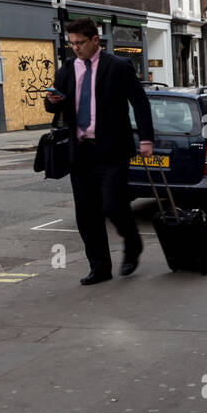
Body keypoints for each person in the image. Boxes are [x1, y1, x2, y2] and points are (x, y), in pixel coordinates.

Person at [44, 18, 155, 285]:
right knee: (86, 214)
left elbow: (139, 103)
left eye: (80, 43)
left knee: (113, 204)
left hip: (111, 149)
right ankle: (100, 267)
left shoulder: (118, 66)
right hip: (80, 151)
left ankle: (132, 243)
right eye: (72, 44)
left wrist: (147, 140)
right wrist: (51, 100)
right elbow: (54, 110)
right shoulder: (67, 70)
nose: (75, 48)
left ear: (96, 40)